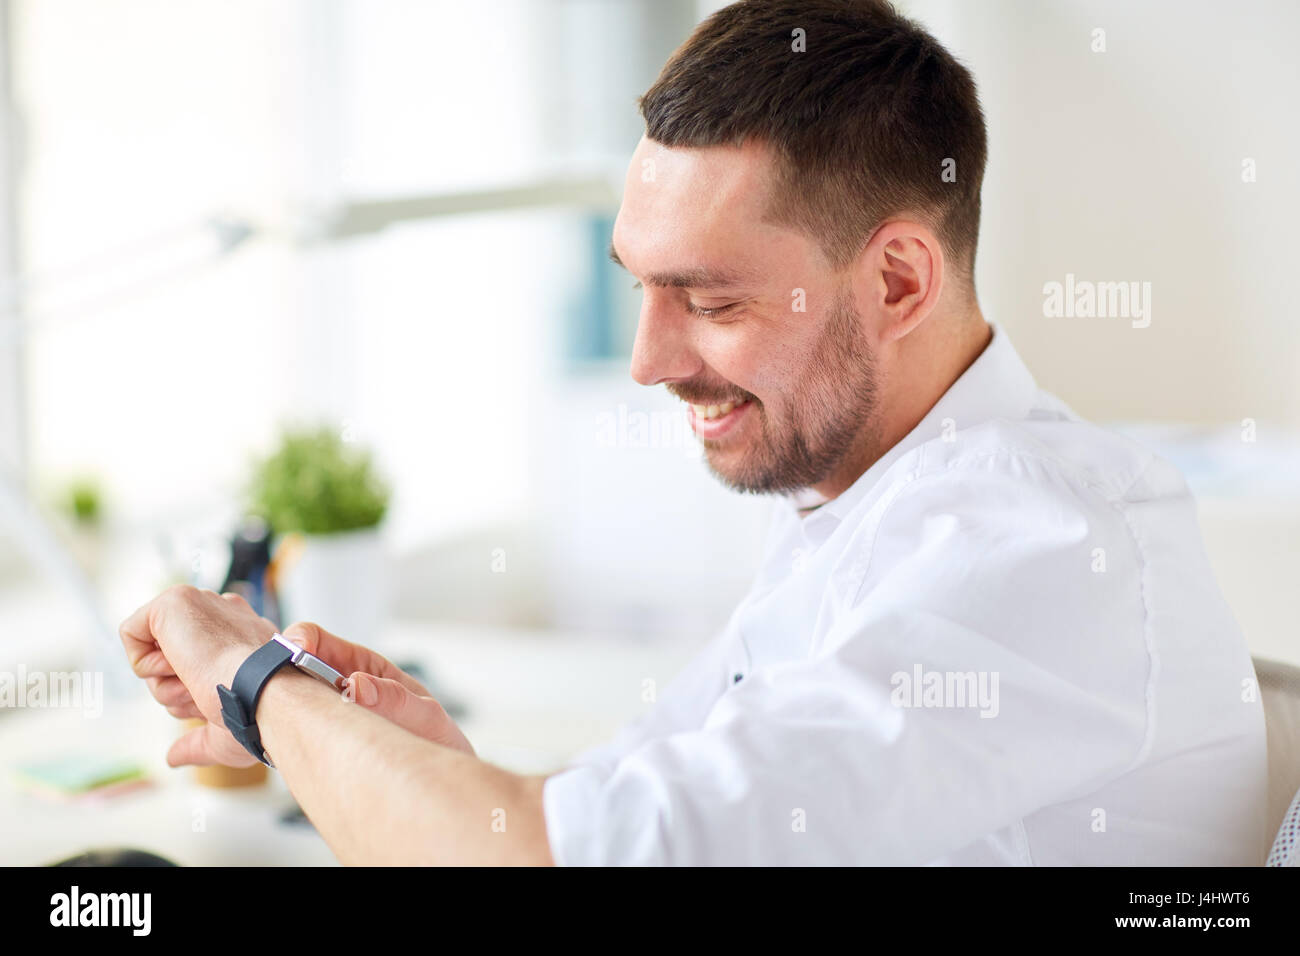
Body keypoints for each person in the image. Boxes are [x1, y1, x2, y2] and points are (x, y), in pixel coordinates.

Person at [118, 0, 1267, 865]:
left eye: (713, 303)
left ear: (900, 280)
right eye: (643, 289)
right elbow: (632, 824)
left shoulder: (1038, 540)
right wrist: (431, 763)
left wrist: (258, 676)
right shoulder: (859, 501)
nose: (650, 362)